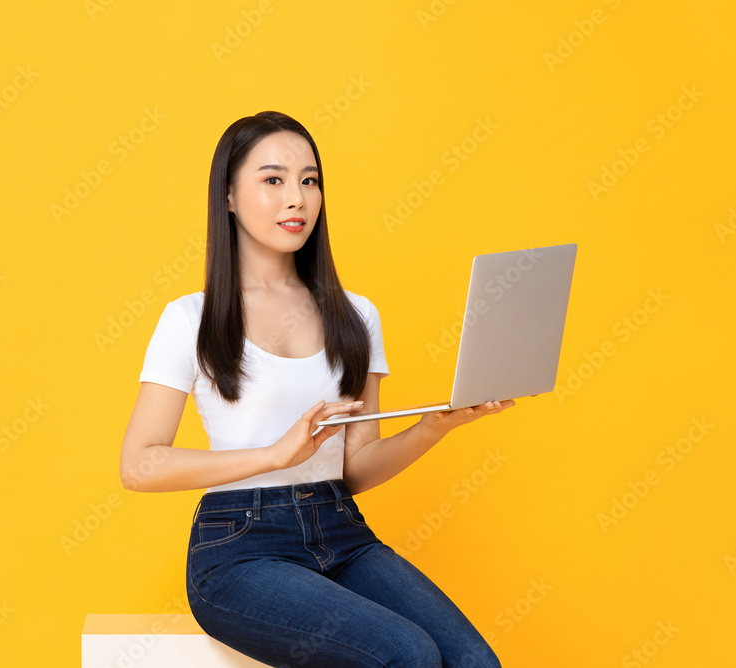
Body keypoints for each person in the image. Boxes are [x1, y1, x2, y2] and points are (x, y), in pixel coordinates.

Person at [119, 110, 513, 667]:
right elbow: (139, 465)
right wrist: (274, 454)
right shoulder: (192, 319)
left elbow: (356, 467)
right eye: (273, 180)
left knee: (475, 664)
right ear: (229, 197)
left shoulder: (355, 316)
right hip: (239, 548)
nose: (297, 198)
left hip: (339, 529)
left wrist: (433, 427)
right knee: (409, 656)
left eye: (309, 180)